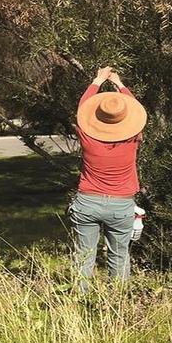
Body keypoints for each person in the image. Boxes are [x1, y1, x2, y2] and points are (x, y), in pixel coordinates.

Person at [69, 66, 147, 289]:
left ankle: (78, 302)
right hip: (120, 205)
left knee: (83, 256)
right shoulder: (132, 138)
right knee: (119, 256)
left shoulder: (87, 138)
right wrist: (120, 84)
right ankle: (118, 301)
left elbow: (82, 109)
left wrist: (97, 81)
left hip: (87, 202)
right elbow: (137, 111)